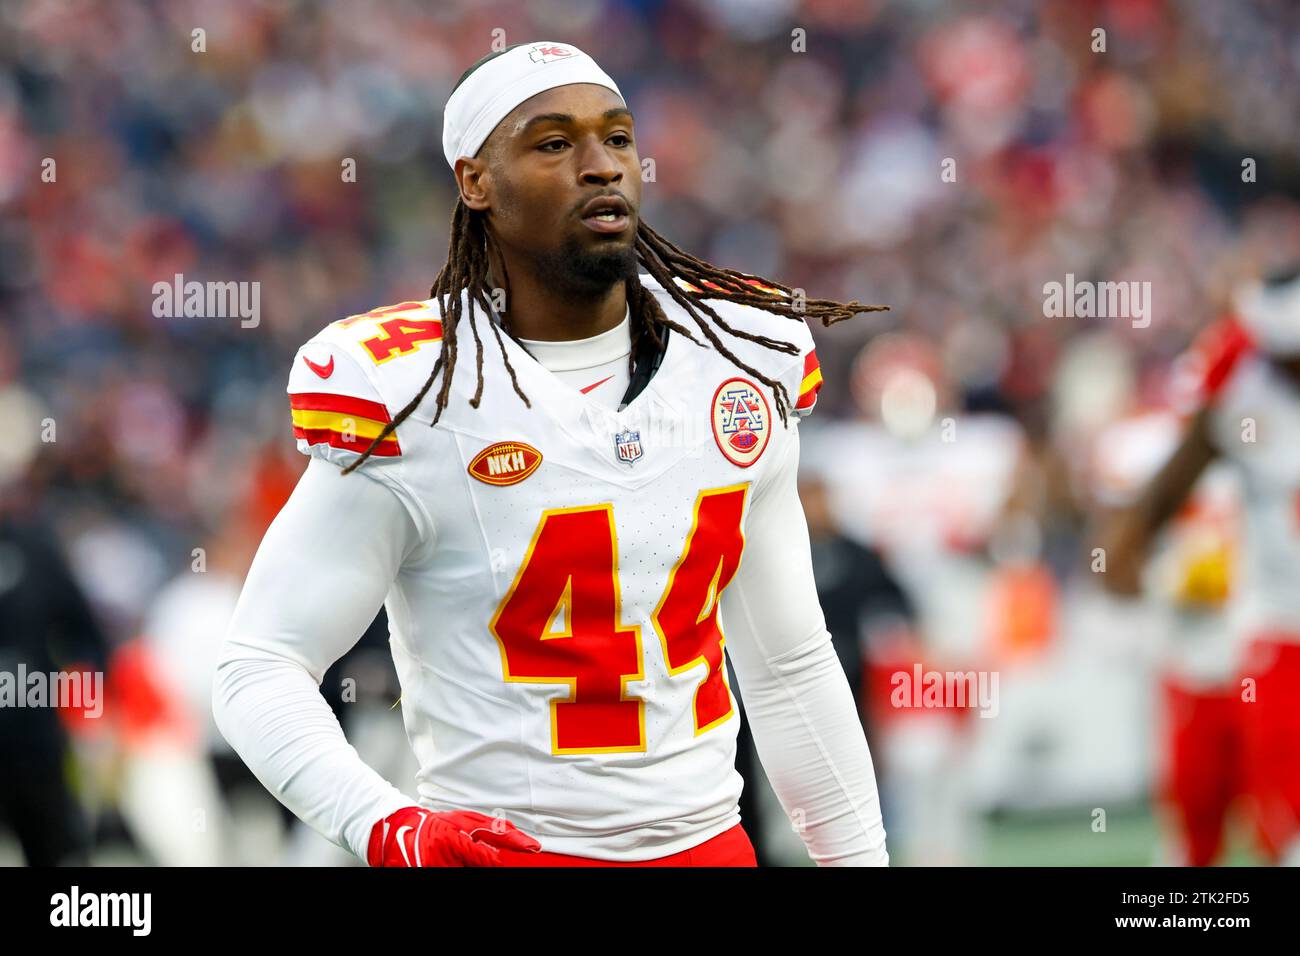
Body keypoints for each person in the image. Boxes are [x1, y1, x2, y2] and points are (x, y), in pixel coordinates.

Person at [213, 41, 891, 867]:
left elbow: (787, 665)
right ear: (476, 182)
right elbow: (260, 666)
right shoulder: (419, 396)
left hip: (706, 848)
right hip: (507, 853)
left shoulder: (738, 362)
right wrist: (386, 824)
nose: (602, 166)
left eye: (617, 138)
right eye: (554, 143)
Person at [1103, 265, 1300, 865]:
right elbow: (1188, 459)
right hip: (1276, 619)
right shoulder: (1243, 382)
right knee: (1273, 819)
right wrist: (1132, 537)